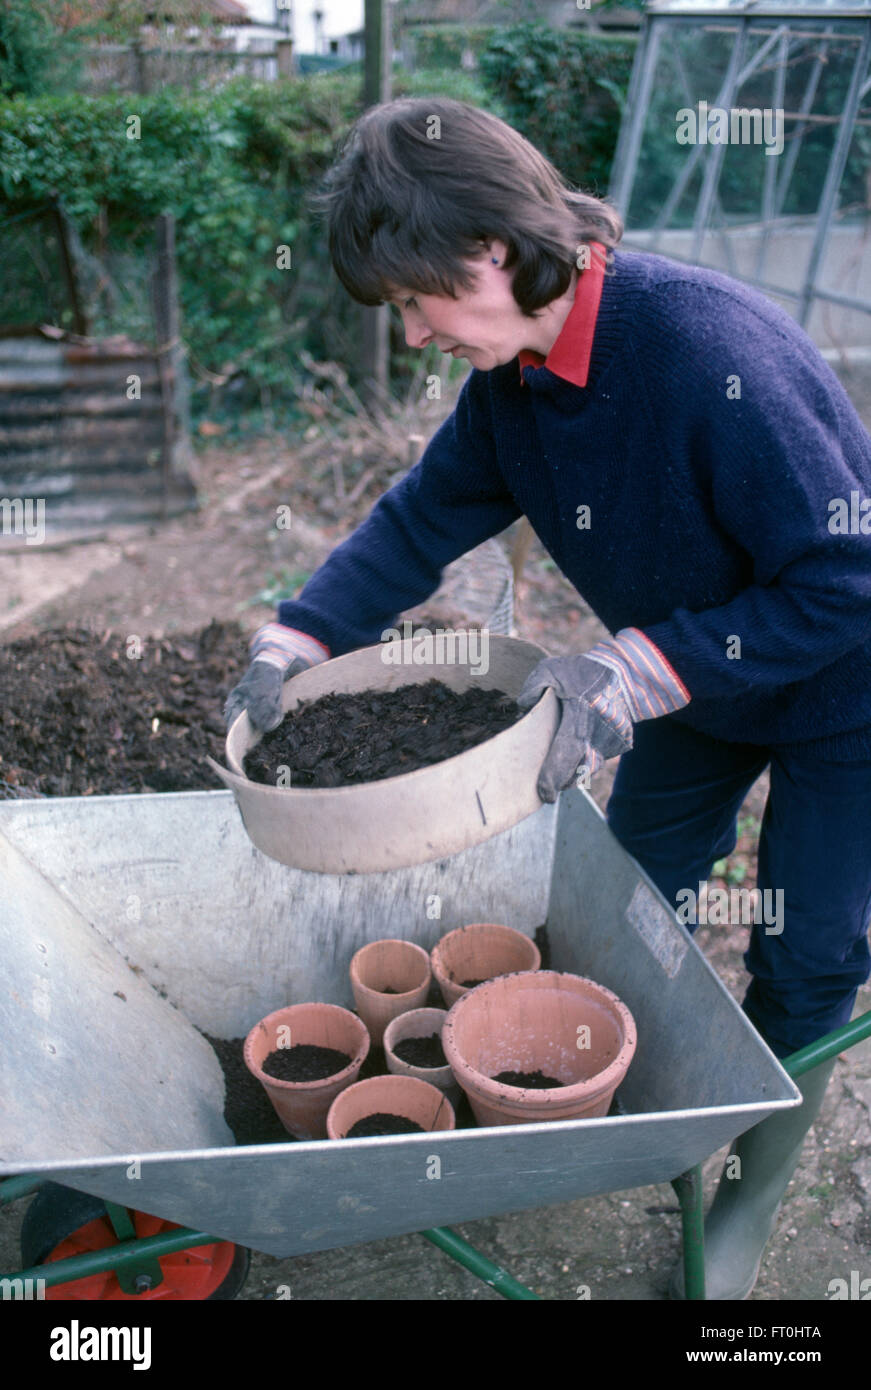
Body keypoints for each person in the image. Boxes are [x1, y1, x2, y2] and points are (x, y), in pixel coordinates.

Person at [224, 98, 871, 1300]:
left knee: (811, 953)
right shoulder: (514, 384)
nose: (413, 333)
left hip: (844, 690)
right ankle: (628, 1107)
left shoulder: (703, 349)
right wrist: (293, 637)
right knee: (626, 900)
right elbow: (419, 520)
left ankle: (753, 1190)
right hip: (697, 697)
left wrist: (634, 670)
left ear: (484, 250)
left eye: (414, 303)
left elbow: (847, 578)